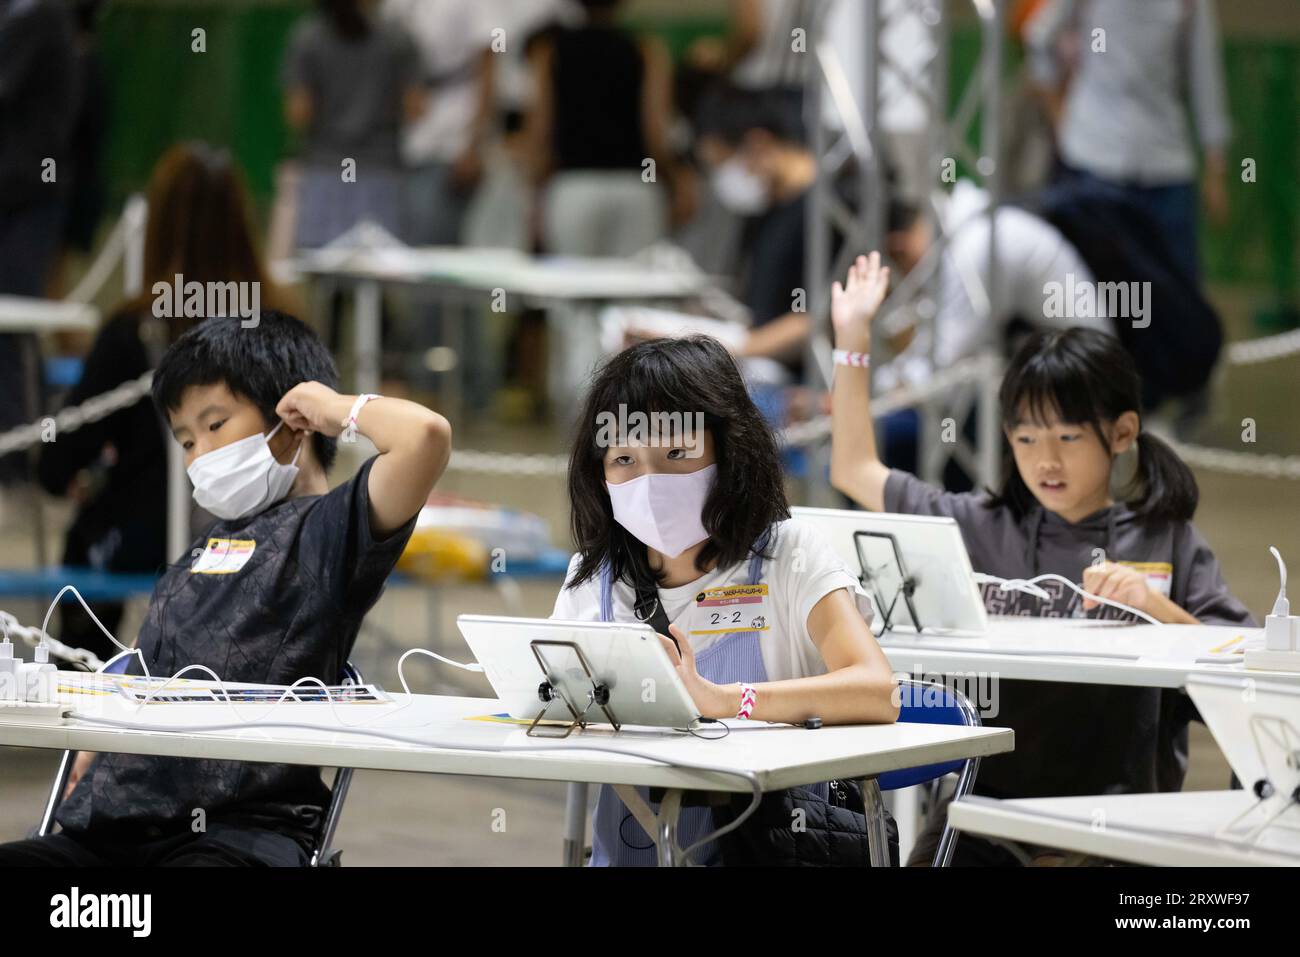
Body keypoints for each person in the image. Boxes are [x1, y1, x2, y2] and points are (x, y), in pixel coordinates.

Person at [828, 253, 1254, 865]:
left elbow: (1244, 671)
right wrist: (852, 341)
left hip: (1124, 822)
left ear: (1123, 432)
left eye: (1068, 437)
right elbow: (853, 468)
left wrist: (1159, 611)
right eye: (1026, 438)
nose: (1045, 460)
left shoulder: (1167, 540)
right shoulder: (973, 526)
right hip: (986, 816)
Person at [0, 312, 452, 866]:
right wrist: (100, 736)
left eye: (215, 425)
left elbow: (425, 437)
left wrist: (335, 408)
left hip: (238, 834)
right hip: (113, 829)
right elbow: (150, 657)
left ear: (294, 418)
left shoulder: (330, 531)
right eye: (186, 440)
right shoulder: (206, 547)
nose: (199, 456)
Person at [551, 335, 899, 865]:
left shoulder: (788, 554)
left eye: (676, 453)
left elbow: (877, 691)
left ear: (728, 449)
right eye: (623, 458)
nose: (649, 481)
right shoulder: (593, 578)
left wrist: (730, 701)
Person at [37, 142, 293, 664]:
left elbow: (56, 463)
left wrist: (93, 474)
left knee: (89, 537)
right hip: (268, 534)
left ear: (158, 225)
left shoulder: (133, 329)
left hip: (149, 535)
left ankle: (83, 683)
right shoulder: (281, 324)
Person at [1026, 0, 1232, 281]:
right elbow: (1039, 37)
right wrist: (1060, 116)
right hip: (1092, 161)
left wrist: (1215, 164)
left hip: (1167, 166)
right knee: (1090, 289)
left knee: (1176, 290)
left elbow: (1204, 73)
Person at [525, 0, 683, 256]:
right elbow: (655, 132)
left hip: (573, 186)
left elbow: (539, 132)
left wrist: (534, 191)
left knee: (572, 278)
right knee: (634, 279)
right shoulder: (646, 49)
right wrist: (671, 178)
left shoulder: (551, 52)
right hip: (635, 185)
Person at [0, 0, 78, 482]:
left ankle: (19, 453)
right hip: (16, 196)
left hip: (28, 199)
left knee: (14, 324)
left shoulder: (41, 17)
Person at [282, 0, 423, 248]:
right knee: (383, 263)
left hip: (325, 171)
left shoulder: (308, 38)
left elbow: (299, 113)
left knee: (320, 262)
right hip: (381, 170)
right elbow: (415, 108)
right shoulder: (397, 39)